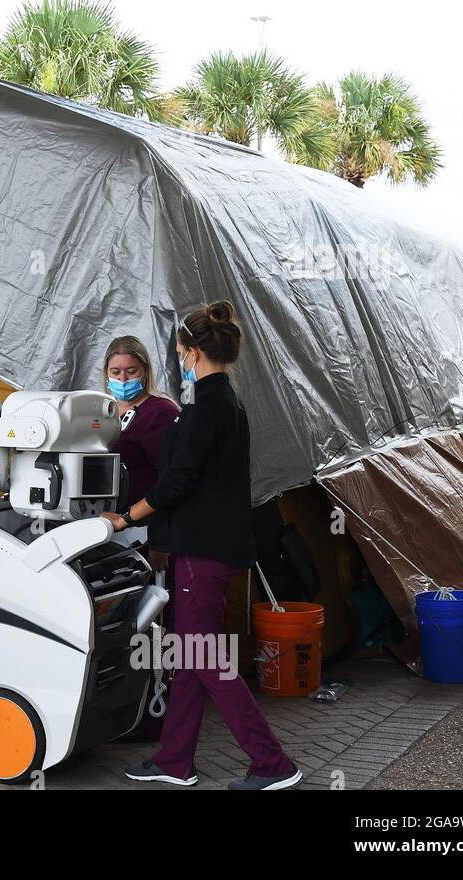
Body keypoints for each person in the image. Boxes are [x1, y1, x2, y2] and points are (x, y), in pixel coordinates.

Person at [103, 300, 301, 791]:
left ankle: (273, 763)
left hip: (202, 553)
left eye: (179, 352)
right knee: (187, 654)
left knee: (205, 655)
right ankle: (175, 760)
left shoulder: (198, 412)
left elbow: (175, 485)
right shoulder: (225, 403)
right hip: (212, 548)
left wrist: (123, 518)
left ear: (187, 352)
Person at [104, 336, 180, 510]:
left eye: (131, 371)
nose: (122, 379)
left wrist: (132, 517)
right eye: (115, 372)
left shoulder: (161, 412)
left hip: (143, 519)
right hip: (103, 515)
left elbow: (173, 477)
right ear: (106, 373)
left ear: (145, 371)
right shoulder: (99, 411)